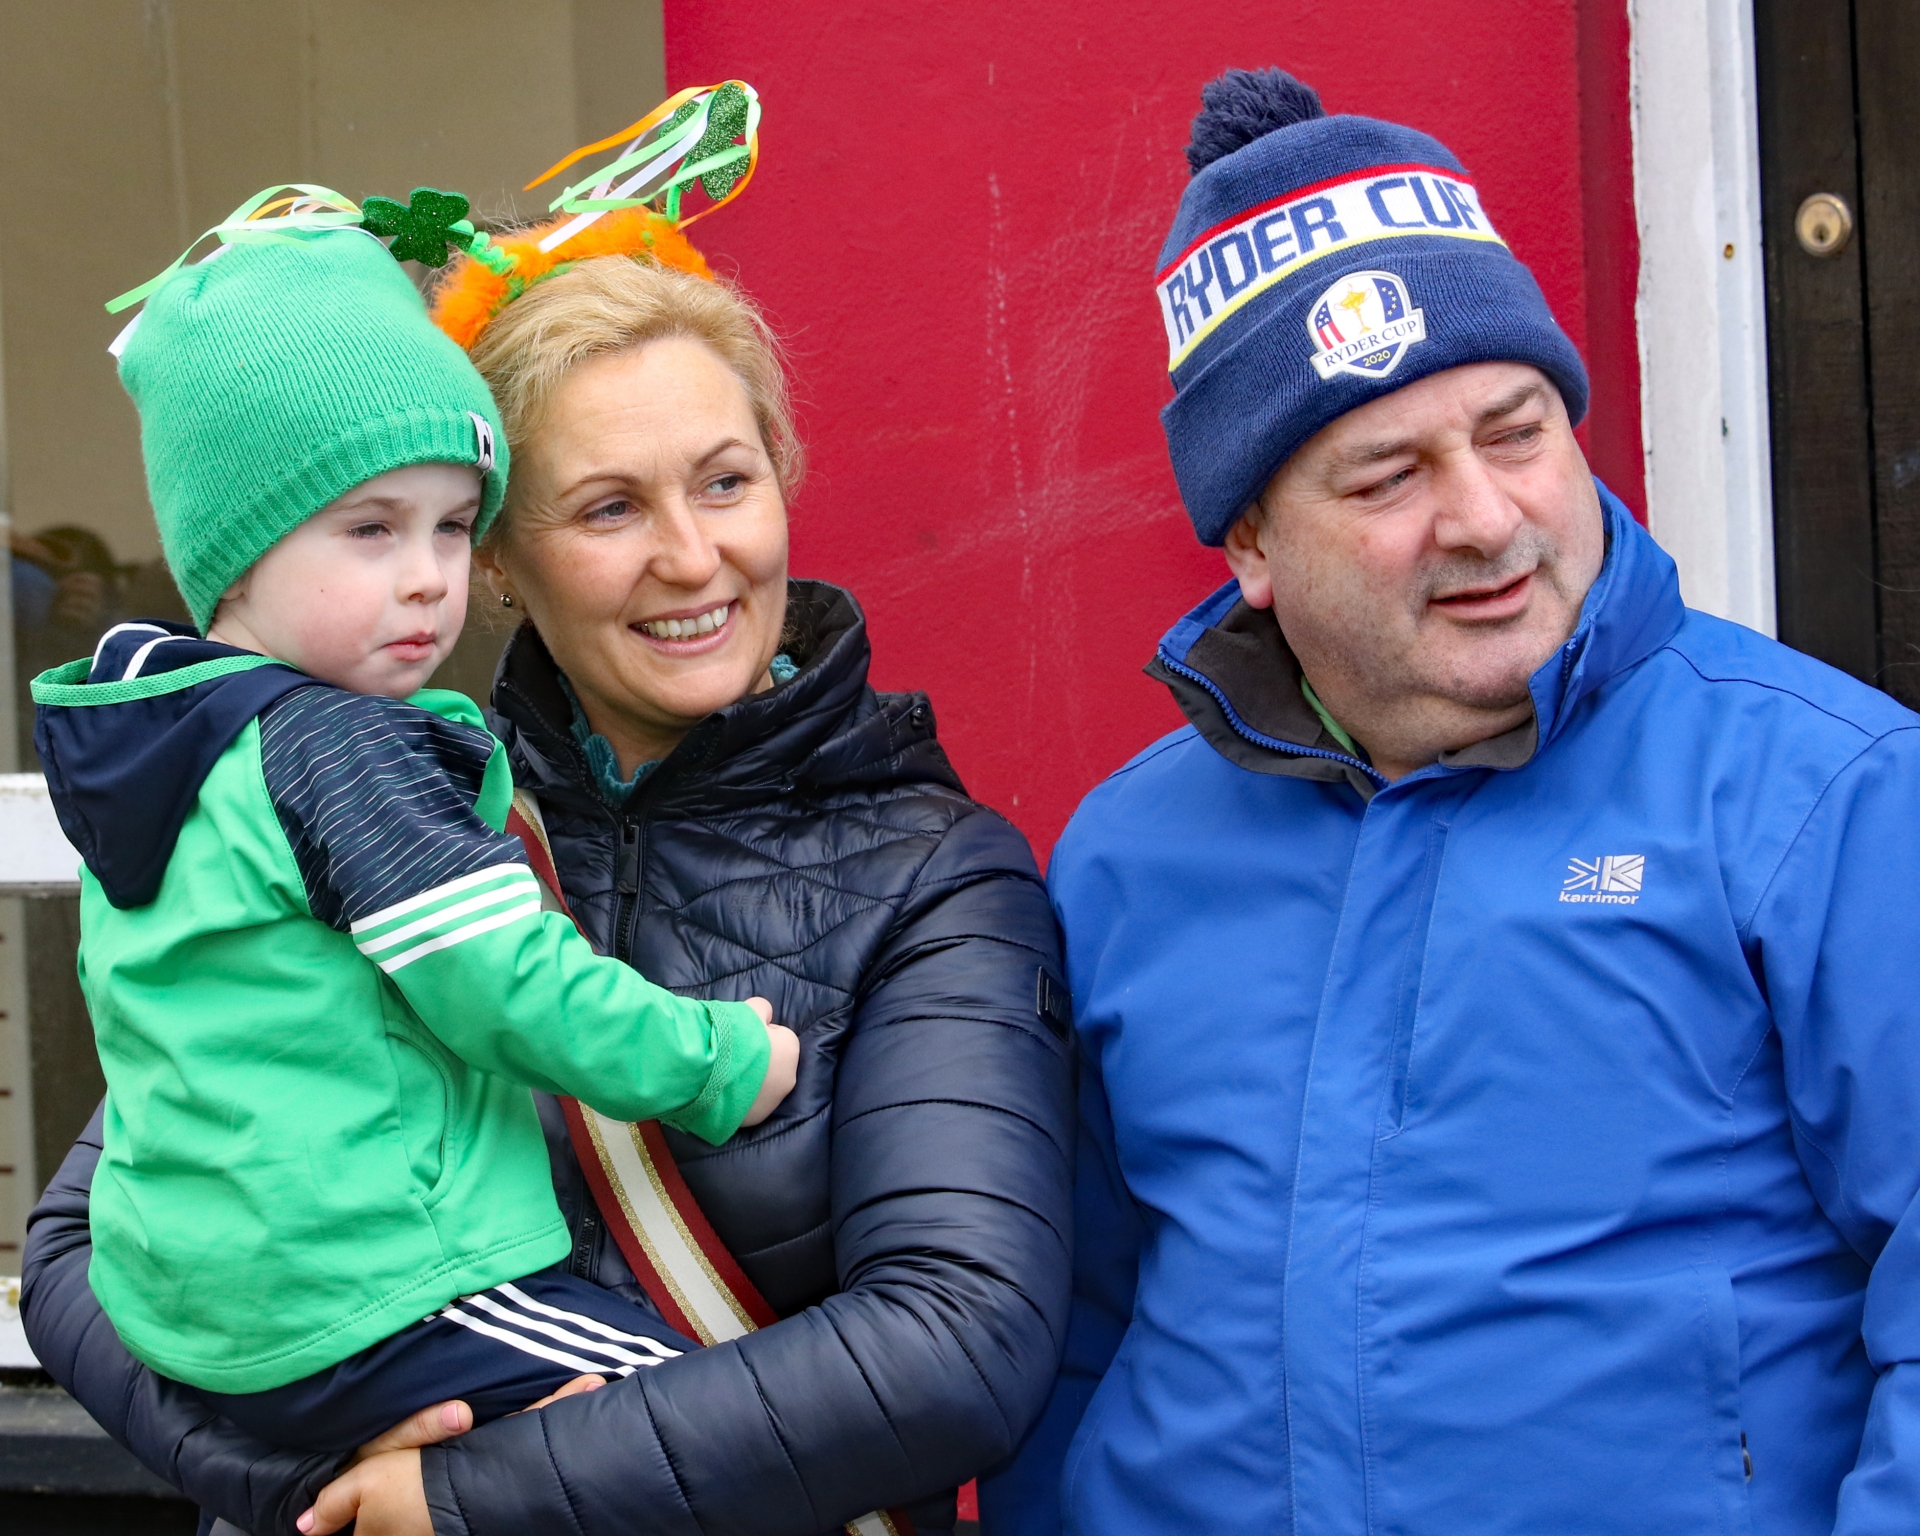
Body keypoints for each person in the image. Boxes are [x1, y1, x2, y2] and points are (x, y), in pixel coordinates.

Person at [24, 97, 1073, 1536]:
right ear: (504, 555)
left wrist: (463, 1499)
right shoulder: (371, 799)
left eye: (725, 480)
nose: (691, 555)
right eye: (608, 509)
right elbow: (90, 1242)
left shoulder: (932, 872)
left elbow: (956, 1345)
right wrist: (328, 1488)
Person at [984, 68, 1920, 1536]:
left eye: (1516, 429)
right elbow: (1067, 1342)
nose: (1483, 519)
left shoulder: (1829, 794)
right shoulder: (1122, 858)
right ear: (1249, 541)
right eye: (1386, 475)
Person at [29, 208, 799, 1454]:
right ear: (236, 556)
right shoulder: (340, 749)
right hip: (388, 1297)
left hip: (201, 1327)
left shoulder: (164, 748)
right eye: (371, 529)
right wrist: (714, 1061)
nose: (432, 576)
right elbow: (500, 981)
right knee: (708, 1430)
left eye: (452, 524)